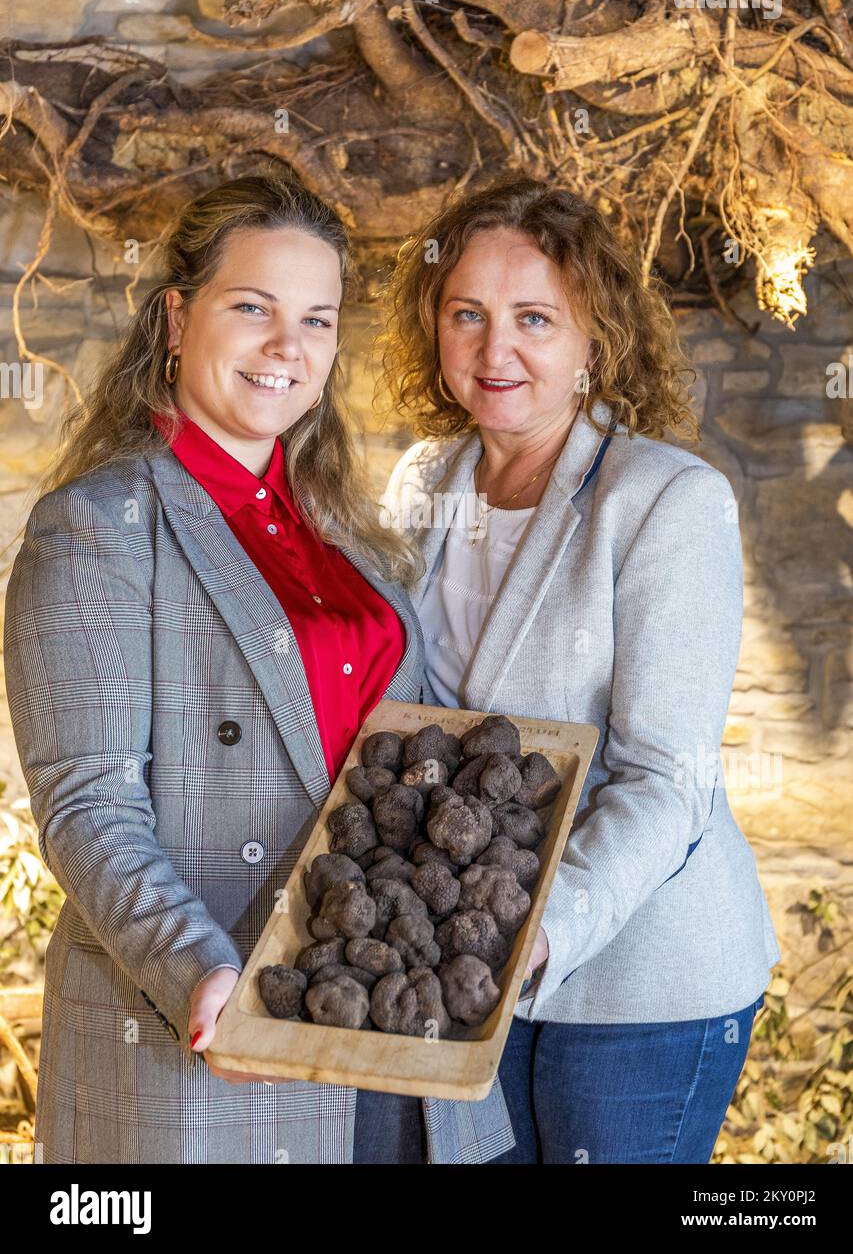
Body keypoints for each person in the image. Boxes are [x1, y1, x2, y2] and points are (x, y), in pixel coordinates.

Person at [3, 172, 514, 1165]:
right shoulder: (97, 528)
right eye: (253, 308)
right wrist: (200, 975)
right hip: (216, 1019)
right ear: (177, 316)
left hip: (389, 994)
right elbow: (88, 805)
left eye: (316, 319)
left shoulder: (346, 533)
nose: (288, 346)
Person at [376, 175, 781, 1163]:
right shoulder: (418, 481)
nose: (492, 349)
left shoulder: (664, 499)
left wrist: (542, 928)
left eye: (531, 318)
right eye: (464, 314)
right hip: (465, 959)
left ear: (592, 337)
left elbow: (662, 776)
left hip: (642, 971)